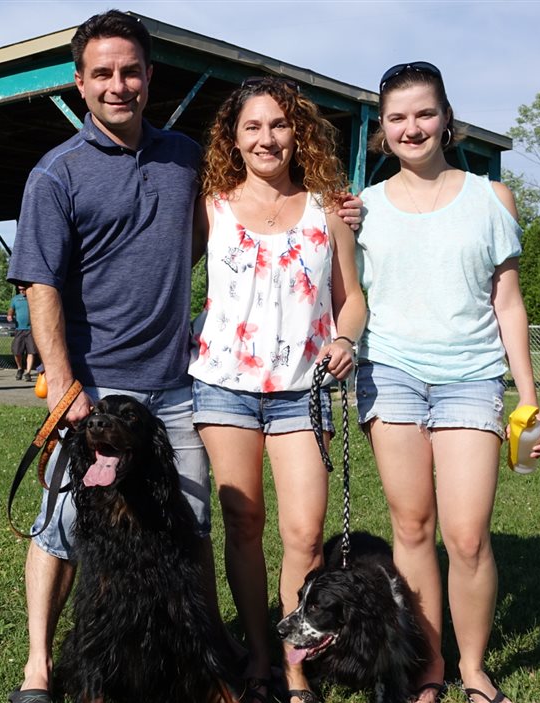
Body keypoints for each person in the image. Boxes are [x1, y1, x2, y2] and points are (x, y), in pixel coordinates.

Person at [5, 12, 221, 703]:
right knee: (63, 524)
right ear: (80, 81)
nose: (118, 84)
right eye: (102, 73)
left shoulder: (185, 156)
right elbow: (40, 282)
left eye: (131, 71)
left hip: (177, 390)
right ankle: (40, 665)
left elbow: (214, 227)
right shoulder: (56, 174)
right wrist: (66, 386)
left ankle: (204, 658)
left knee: (191, 527)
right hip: (95, 393)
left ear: (150, 76)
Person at [355, 62, 540, 703]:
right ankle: (431, 666)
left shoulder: (490, 198)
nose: (412, 128)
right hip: (391, 375)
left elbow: (510, 304)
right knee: (412, 529)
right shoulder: (364, 209)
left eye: (424, 113)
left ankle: (473, 668)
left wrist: (528, 396)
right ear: (382, 131)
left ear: (447, 118)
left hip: (471, 378)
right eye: (397, 118)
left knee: (467, 536)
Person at [189, 77, 367, 703]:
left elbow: (351, 301)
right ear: (233, 140)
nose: (268, 138)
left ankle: (296, 664)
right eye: (253, 128)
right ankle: (261, 659)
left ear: (298, 132)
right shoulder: (208, 203)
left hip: (303, 394)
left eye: (279, 125)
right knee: (242, 521)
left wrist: (346, 341)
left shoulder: (329, 207)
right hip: (223, 388)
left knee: (305, 534)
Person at [6, 284, 36, 382]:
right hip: (19, 329)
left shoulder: (33, 298)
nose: (22, 291)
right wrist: (10, 315)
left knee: (31, 351)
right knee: (17, 351)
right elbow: (11, 309)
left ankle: (28, 372)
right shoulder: (15, 299)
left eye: (24, 289)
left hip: (31, 329)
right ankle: (20, 368)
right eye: (20, 290)